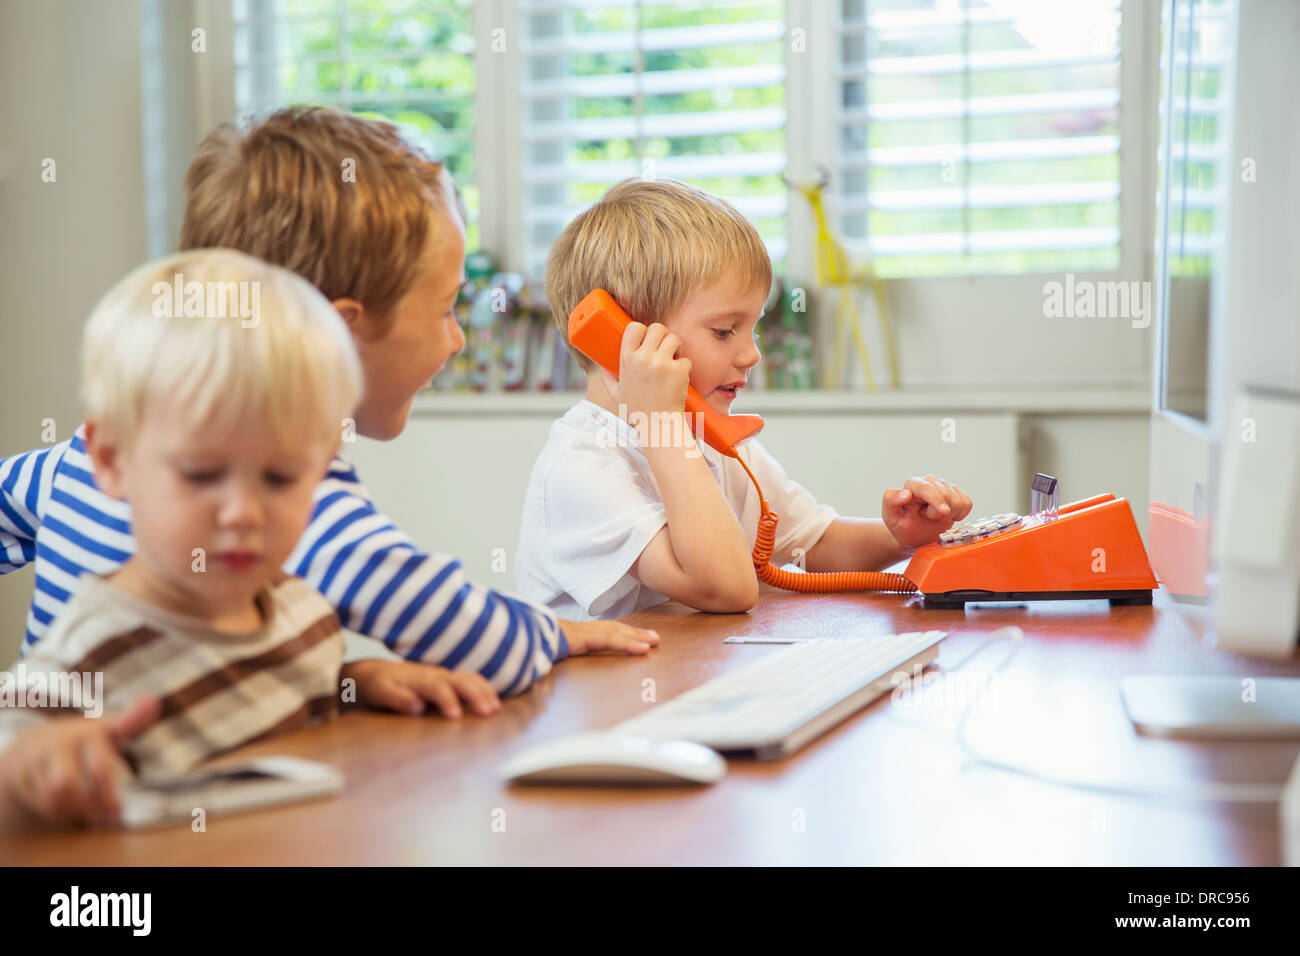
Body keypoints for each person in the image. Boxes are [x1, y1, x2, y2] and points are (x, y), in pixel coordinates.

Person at [515, 178, 973, 620]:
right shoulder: (582, 466)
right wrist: (661, 422)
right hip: (611, 698)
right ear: (623, 341)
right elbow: (724, 587)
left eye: (752, 327)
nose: (751, 354)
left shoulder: (710, 439)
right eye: (723, 331)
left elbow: (812, 544)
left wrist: (899, 538)